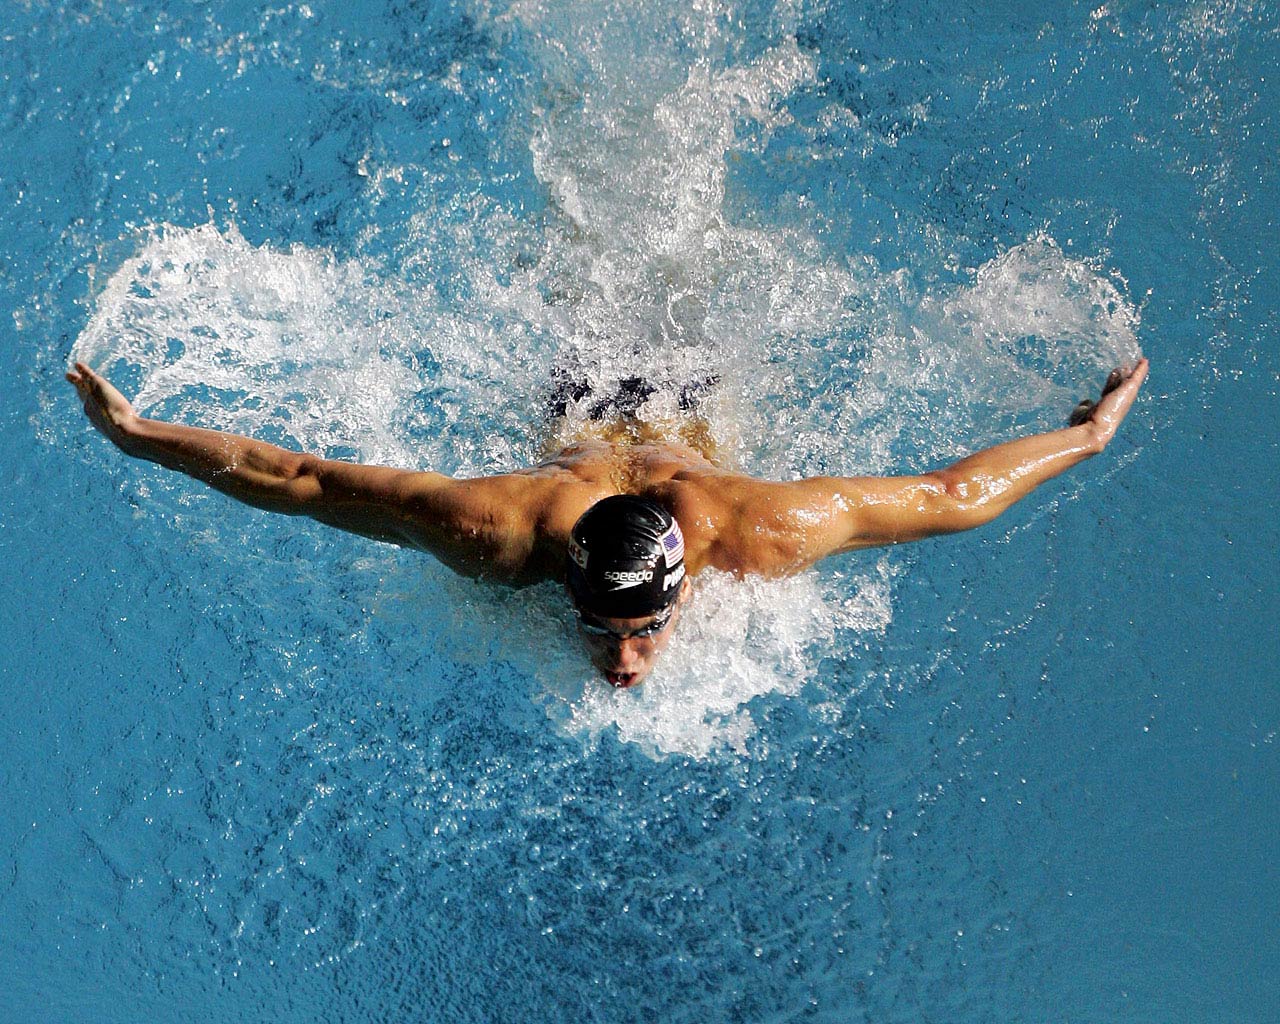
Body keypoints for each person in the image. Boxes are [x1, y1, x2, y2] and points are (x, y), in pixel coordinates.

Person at [67, 357, 1148, 688]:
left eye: (637, 631)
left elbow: (953, 497)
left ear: (687, 580)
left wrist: (1086, 438)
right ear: (564, 579)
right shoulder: (498, 532)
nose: (623, 664)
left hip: (689, 395)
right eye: (602, 631)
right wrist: (137, 431)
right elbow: (300, 477)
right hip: (575, 395)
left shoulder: (758, 534)